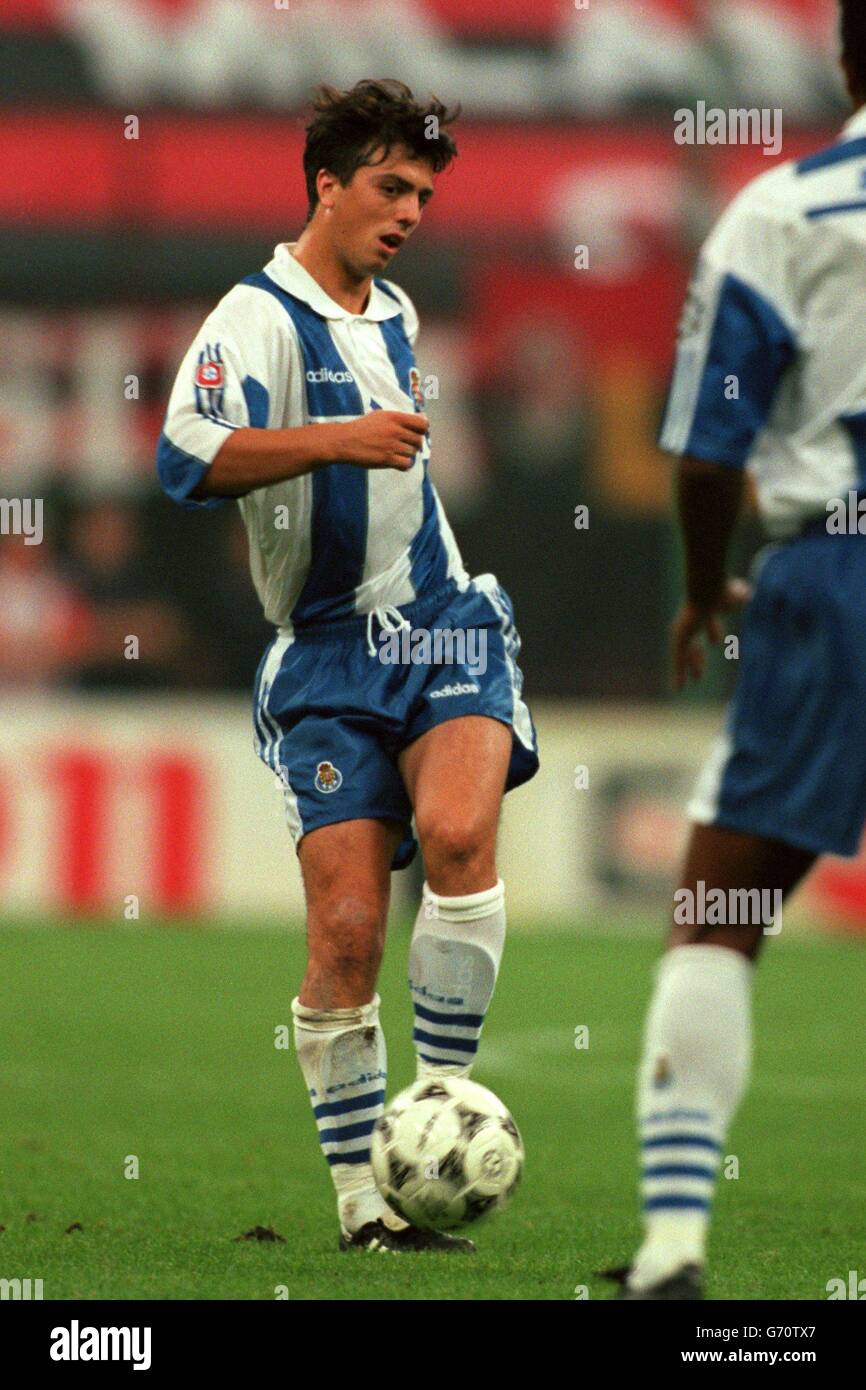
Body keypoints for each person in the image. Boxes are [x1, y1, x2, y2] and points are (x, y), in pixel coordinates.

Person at [156, 79, 538, 1254]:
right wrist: (336, 438)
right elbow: (183, 459)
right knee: (346, 934)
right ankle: (366, 1213)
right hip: (321, 658)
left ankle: (438, 1109)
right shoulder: (253, 315)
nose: (410, 210)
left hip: (437, 625)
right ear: (325, 183)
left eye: (423, 193)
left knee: (463, 837)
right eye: (389, 187)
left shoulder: (398, 313)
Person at [613, 0, 866, 1300]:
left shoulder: (781, 215)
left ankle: (669, 1245)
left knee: (717, 903)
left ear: (845, 57)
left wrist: (707, 580)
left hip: (834, 573)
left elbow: (711, 438)